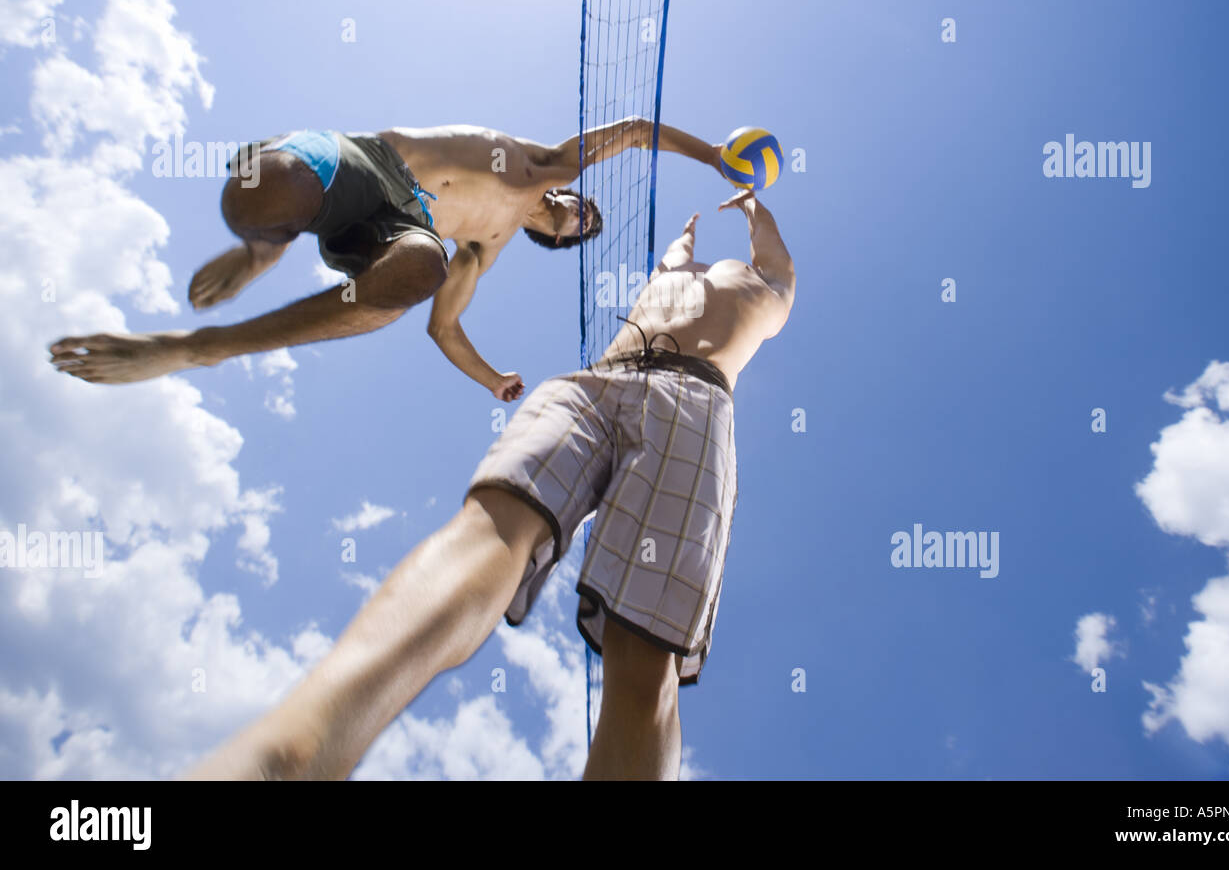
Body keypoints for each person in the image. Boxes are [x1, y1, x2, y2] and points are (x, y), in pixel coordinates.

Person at [181, 189, 794, 781]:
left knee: (644, 653)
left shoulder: (768, 289)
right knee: (489, 532)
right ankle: (296, 752)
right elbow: (674, 258)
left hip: (695, 397)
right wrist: (685, 236)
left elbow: (774, 256)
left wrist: (752, 207)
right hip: (597, 381)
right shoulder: (675, 272)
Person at [48, 119, 723, 399]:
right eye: (585, 207)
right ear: (571, 193)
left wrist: (493, 381)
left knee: (421, 270)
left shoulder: (484, 248)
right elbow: (637, 132)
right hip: (373, 163)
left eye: (583, 228)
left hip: (398, 228)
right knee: (258, 191)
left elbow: (444, 327)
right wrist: (716, 158)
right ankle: (261, 250)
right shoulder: (545, 162)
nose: (581, 215)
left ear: (561, 241)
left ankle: (201, 347)